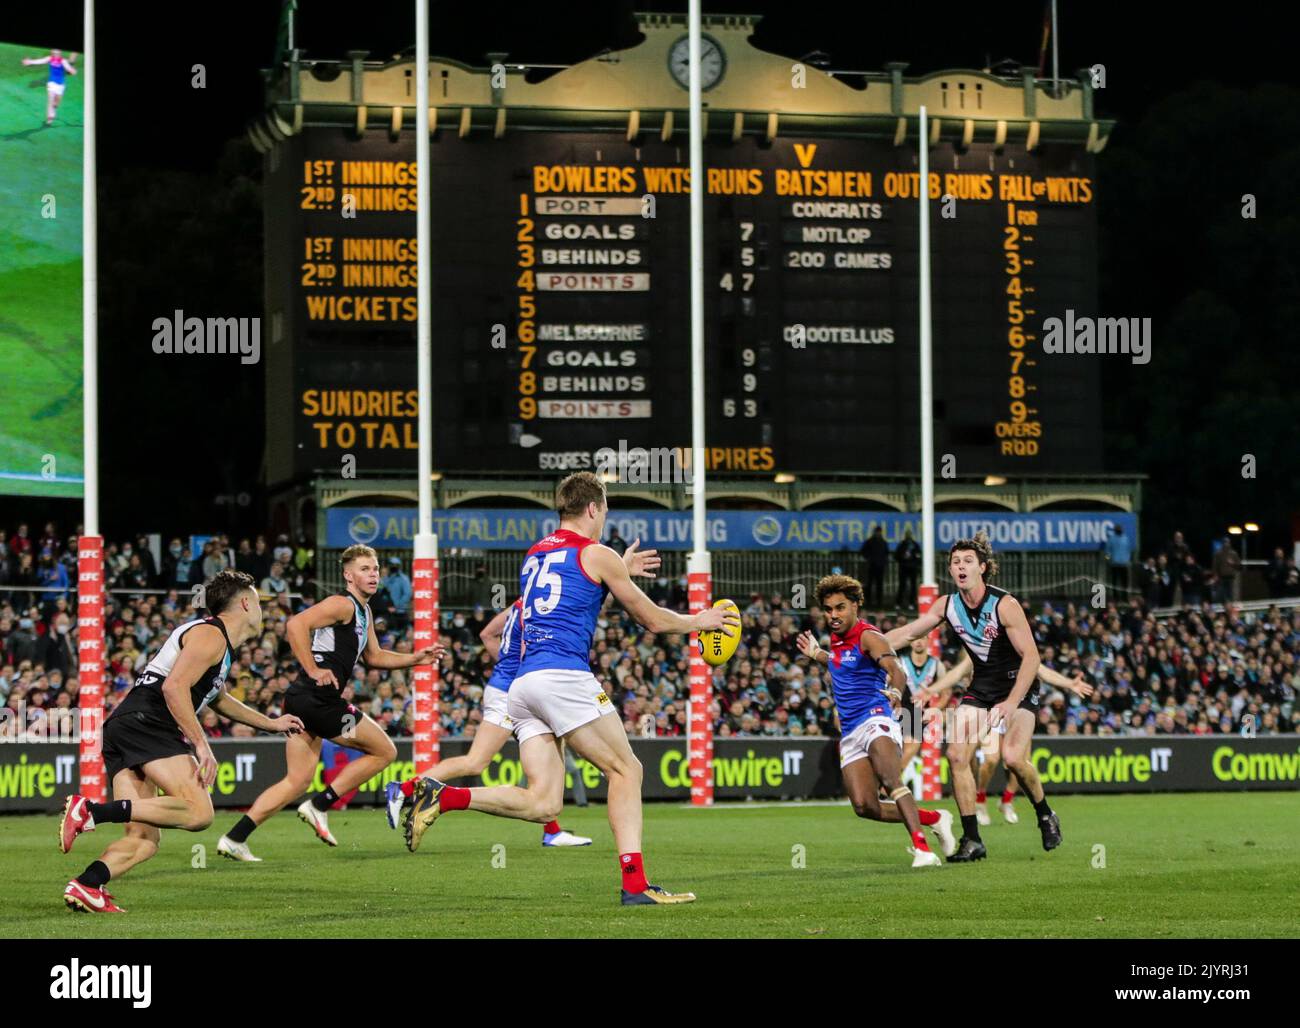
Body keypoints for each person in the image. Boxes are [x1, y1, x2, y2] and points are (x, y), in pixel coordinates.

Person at [405, 471, 738, 905]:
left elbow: (570, 592)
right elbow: (652, 620)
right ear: (594, 508)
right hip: (562, 676)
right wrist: (700, 621)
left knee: (544, 804)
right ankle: (635, 885)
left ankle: (444, 796)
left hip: (522, 685)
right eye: (605, 511)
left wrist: (619, 571)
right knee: (627, 771)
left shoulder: (535, 553)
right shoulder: (597, 553)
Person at [58, 571, 304, 912]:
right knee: (199, 813)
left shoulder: (215, 642)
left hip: (125, 726)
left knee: (144, 839)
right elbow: (174, 687)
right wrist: (202, 745)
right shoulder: (211, 635)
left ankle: (88, 884)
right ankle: (91, 812)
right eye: (258, 601)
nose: (262, 609)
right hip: (150, 721)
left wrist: (271, 724)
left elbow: (218, 698)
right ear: (246, 603)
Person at [215, 545, 443, 860]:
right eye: (365, 569)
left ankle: (234, 838)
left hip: (301, 699)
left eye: (375, 569)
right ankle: (320, 805)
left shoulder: (364, 612)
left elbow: (375, 657)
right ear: (348, 575)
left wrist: (415, 659)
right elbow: (295, 625)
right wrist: (312, 669)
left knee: (296, 781)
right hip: (317, 698)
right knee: (385, 751)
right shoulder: (342, 604)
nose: (373, 574)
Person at [885, 531, 1060, 861]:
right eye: (955, 562)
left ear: (983, 567)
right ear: (950, 570)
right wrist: (866, 642)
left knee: (1012, 758)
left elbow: (1032, 658)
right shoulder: (947, 605)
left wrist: (1011, 702)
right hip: (982, 688)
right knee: (956, 755)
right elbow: (908, 634)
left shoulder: (1005, 605)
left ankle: (1045, 813)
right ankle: (972, 839)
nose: (961, 566)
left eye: (968, 561)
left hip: (1018, 686)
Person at [796, 575, 955, 868]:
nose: (833, 615)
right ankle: (935, 818)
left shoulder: (869, 636)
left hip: (876, 718)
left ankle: (923, 849)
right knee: (864, 806)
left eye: (840, 607)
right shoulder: (837, 639)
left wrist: (894, 691)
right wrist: (817, 654)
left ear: (856, 606)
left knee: (891, 780)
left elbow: (897, 670)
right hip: (850, 730)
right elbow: (842, 664)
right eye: (828, 609)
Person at [921, 652, 1095, 825]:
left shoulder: (1019, 647)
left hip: (1019, 708)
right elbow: (960, 671)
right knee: (991, 759)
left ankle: (1007, 801)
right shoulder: (981, 646)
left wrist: (1069, 683)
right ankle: (980, 800)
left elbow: (1041, 670)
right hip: (992, 707)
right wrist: (933, 689)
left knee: (1020, 762)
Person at [21, 49, 76, 127]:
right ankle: (49, 121)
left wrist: (72, 71)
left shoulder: (63, 61)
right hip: (51, 83)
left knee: (56, 103)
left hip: (60, 86)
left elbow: (69, 69)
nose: (54, 54)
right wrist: (30, 62)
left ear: (60, 53)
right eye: (53, 52)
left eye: (56, 53)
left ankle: (54, 108)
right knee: (50, 102)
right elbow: (40, 61)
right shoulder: (50, 58)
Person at [859, 526, 888, 608]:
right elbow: (863, 551)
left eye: (879, 532)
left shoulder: (883, 542)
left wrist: (883, 561)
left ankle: (879, 602)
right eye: (877, 532)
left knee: (879, 585)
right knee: (869, 584)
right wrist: (869, 558)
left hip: (880, 567)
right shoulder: (870, 541)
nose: (878, 533)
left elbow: (886, 553)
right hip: (871, 566)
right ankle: (868, 602)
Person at [894, 527, 921, 608]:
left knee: (913, 586)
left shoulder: (915, 545)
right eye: (907, 534)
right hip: (904, 567)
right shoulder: (902, 545)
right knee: (902, 585)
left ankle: (911, 603)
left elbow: (919, 556)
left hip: (912, 568)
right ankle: (899, 603)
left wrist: (914, 560)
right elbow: (896, 556)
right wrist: (902, 557)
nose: (908, 536)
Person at [1103, 524, 1133, 595]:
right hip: (1114, 564)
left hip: (1124, 564)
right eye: (1118, 529)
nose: (1120, 530)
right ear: (1115, 530)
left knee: (1124, 582)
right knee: (1115, 582)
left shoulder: (1125, 538)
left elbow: (1128, 550)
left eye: (1120, 529)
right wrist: (1108, 560)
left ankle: (1125, 597)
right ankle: (1116, 597)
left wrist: (1128, 559)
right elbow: (1107, 552)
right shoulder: (1111, 539)